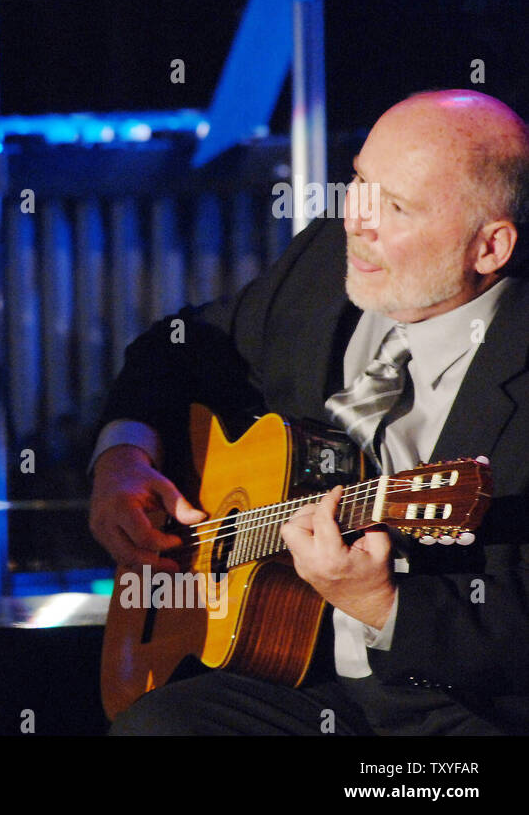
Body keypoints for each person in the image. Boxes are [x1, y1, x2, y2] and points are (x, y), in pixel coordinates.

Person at [89, 89, 529, 735]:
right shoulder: (328, 263)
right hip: (306, 683)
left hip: (463, 714)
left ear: (489, 247)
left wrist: (385, 604)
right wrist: (122, 459)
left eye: (397, 207)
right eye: (359, 181)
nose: (357, 217)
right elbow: (180, 347)